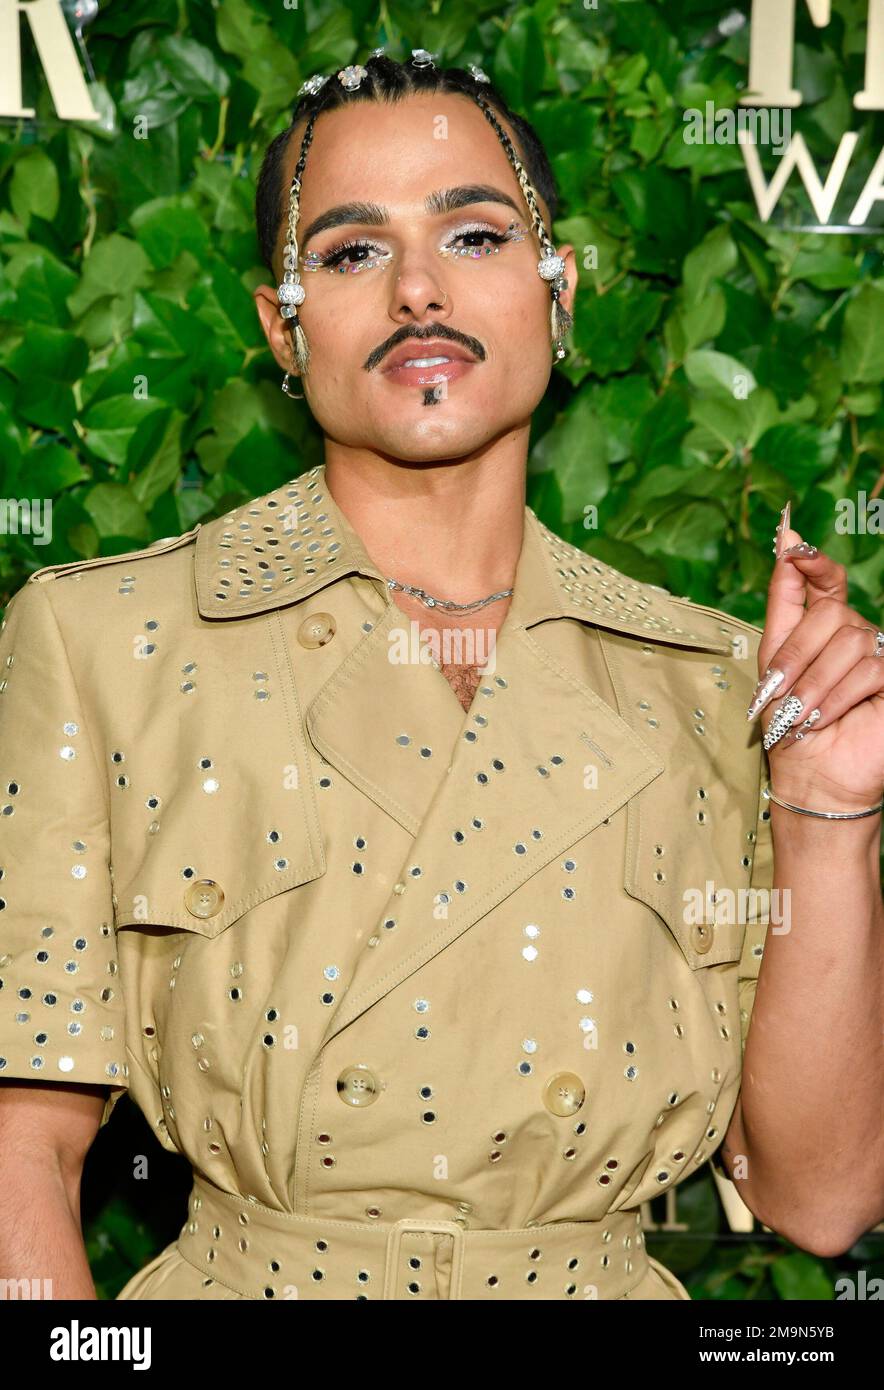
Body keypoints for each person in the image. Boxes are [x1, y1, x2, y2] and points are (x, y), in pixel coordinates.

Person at [0, 50, 881, 1303]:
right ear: (280, 327)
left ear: (556, 288)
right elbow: (17, 1148)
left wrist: (827, 810)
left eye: (472, 234)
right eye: (352, 253)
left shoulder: (710, 680)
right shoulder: (108, 639)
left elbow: (821, 1193)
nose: (418, 289)